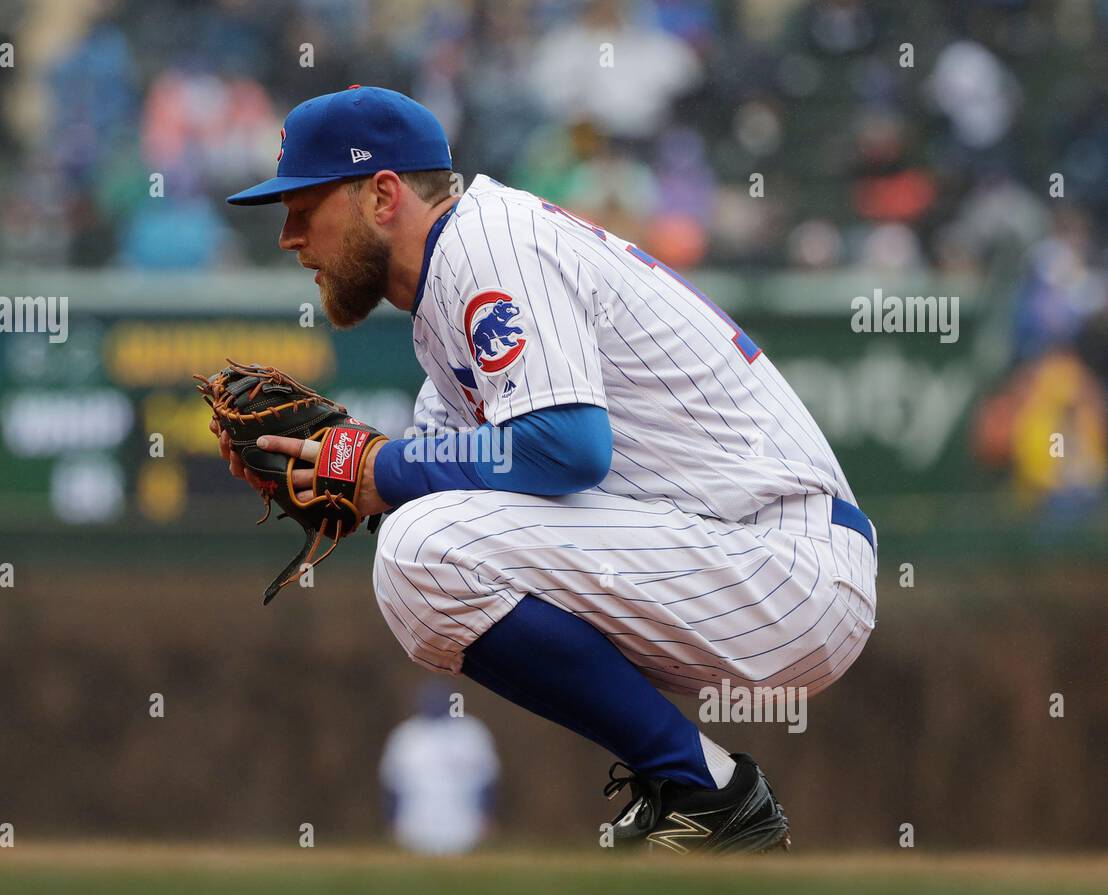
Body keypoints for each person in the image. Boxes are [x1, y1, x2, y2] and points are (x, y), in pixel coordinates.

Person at [215, 86, 878, 854]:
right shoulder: (447, 308)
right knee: (419, 560)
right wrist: (348, 478)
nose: (289, 236)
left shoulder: (487, 246)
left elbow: (566, 448)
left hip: (782, 562)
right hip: (725, 559)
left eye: (304, 205)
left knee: (424, 547)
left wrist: (384, 471)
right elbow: (443, 492)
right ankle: (692, 791)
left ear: (383, 195)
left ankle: (708, 793)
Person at [379, 683, 499, 855]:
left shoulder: (471, 733)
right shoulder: (406, 735)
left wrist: (487, 816)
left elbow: (487, 782)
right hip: (415, 825)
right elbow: (392, 786)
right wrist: (391, 820)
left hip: (463, 826)